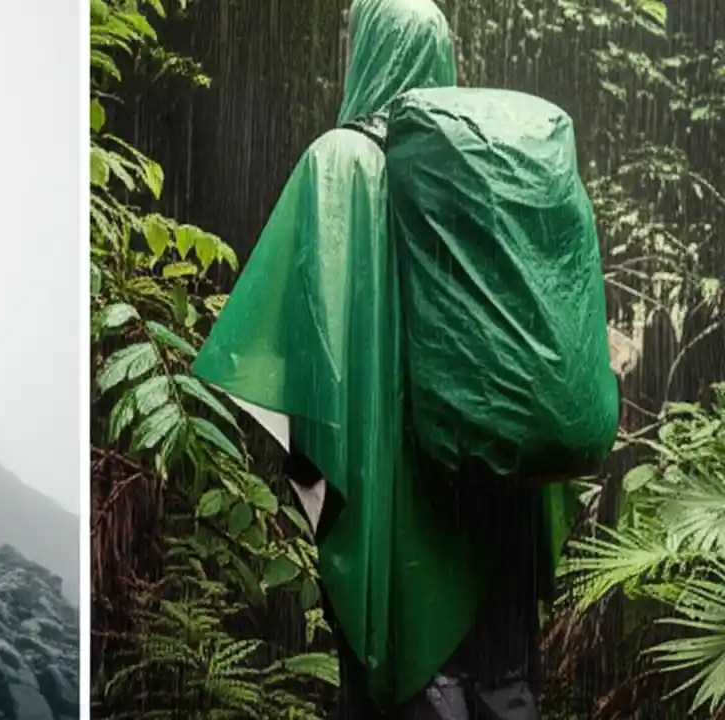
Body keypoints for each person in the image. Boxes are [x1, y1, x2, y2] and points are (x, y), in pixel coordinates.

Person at [193, 1, 569, 717]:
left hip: (397, 507)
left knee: (401, 683)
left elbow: (299, 358)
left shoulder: (340, 164)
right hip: (497, 513)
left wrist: (318, 482)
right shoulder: (491, 170)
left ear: (366, 52)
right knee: (499, 684)